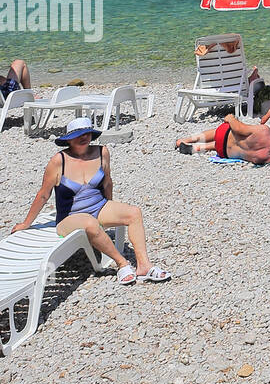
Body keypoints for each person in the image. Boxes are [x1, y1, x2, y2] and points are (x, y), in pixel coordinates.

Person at [11, 118, 171, 284]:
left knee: (134, 212)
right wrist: (26, 223)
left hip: (98, 207)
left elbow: (107, 182)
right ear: (68, 139)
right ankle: (122, 263)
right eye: (78, 135)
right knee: (89, 223)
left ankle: (144, 266)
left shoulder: (102, 152)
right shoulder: (59, 161)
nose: (84, 137)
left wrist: (111, 206)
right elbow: (44, 195)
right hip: (69, 218)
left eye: (87, 133)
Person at [176, 113, 270, 164]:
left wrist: (231, 118)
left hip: (223, 135)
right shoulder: (265, 156)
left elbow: (239, 129)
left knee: (223, 131)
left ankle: (187, 140)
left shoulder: (264, 131)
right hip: (224, 152)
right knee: (224, 143)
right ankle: (197, 148)